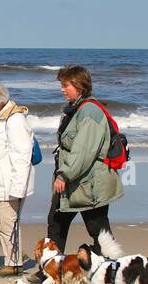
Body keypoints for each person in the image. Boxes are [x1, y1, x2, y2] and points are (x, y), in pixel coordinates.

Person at [47, 65, 121, 255]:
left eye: (66, 85)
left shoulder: (89, 112)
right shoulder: (76, 109)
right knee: (58, 223)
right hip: (78, 181)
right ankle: (51, 272)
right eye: (61, 85)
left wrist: (64, 175)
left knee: (98, 230)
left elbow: (83, 151)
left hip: (88, 183)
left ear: (79, 86)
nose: (62, 89)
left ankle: (112, 272)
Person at [0, 80, 35, 277]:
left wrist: (17, 189)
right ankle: (15, 253)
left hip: (10, 184)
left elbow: (22, 156)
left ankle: (13, 264)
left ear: (1, 101)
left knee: (7, 222)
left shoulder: (15, 120)